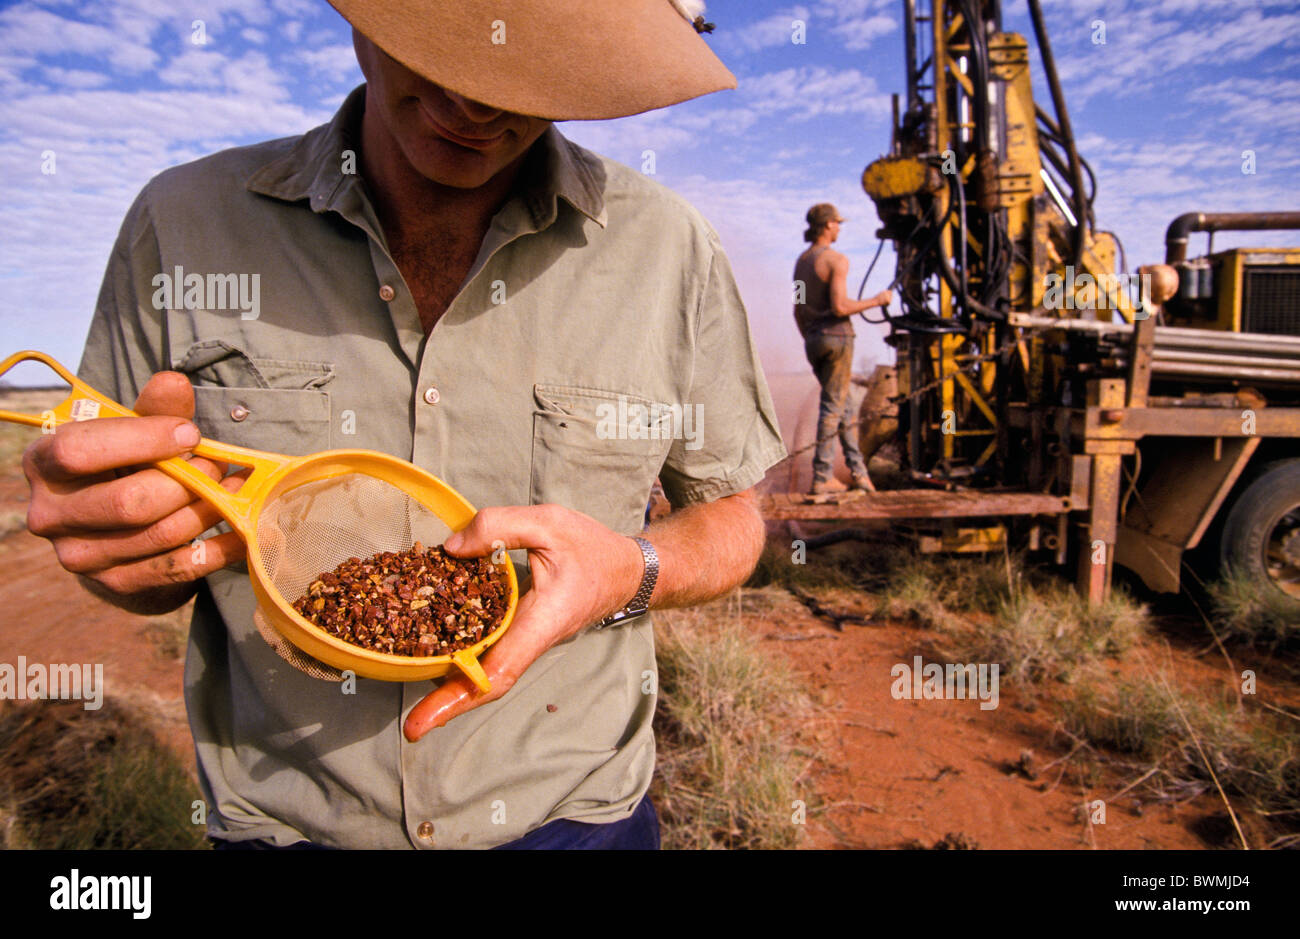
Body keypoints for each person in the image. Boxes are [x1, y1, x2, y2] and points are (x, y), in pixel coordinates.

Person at [21, 0, 787, 850]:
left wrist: (631, 569)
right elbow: (135, 551)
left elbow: (734, 517)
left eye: (535, 66)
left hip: (573, 818)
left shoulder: (668, 249)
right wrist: (124, 553)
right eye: (445, 41)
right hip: (282, 824)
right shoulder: (185, 224)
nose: (477, 106)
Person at [793, 202, 891, 495]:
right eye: (837, 223)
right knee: (833, 409)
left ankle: (859, 474)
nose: (839, 228)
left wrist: (811, 338)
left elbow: (797, 308)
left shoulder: (801, 262)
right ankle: (822, 477)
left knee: (845, 408)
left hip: (814, 341)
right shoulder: (836, 260)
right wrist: (878, 300)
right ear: (828, 226)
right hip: (838, 339)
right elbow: (839, 306)